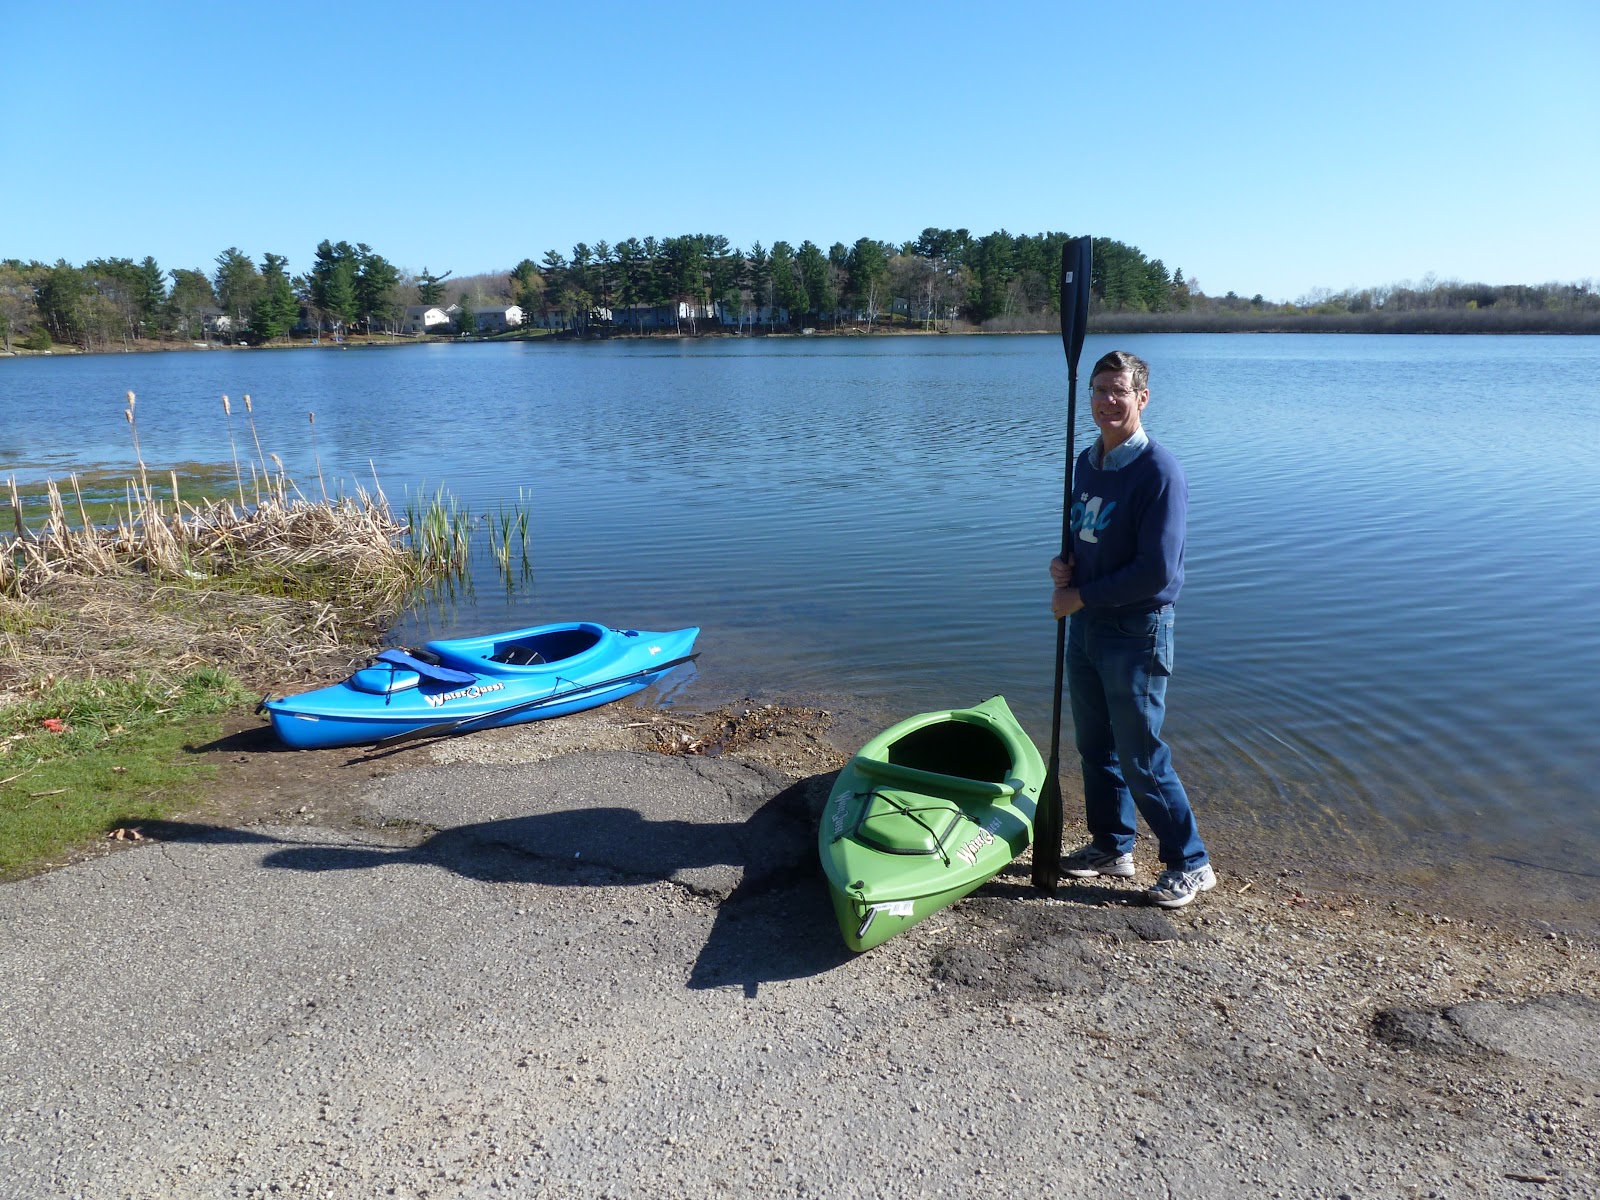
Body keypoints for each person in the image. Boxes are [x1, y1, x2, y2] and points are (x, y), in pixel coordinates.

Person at [1049, 350, 1214, 908]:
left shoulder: (1159, 472)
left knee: (1141, 754)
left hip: (1137, 631)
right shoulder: (1087, 462)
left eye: (1120, 391)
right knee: (1095, 748)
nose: (1107, 401)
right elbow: (1085, 534)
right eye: (1099, 390)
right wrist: (1064, 565)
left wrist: (1080, 593)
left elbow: (1157, 571)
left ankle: (1191, 862)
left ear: (1142, 398)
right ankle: (1112, 848)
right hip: (1086, 623)